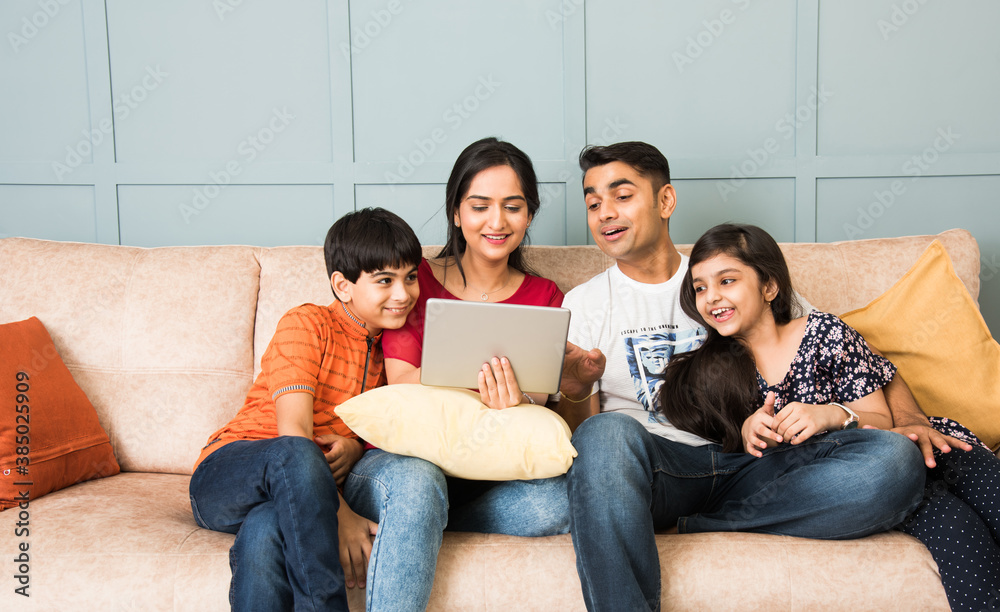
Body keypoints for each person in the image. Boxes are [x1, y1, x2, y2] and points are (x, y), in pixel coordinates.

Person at [553, 141, 927, 612]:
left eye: (621, 196)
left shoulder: (724, 272)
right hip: (659, 475)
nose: (605, 213)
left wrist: (913, 417)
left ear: (665, 201)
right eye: (592, 203)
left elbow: (857, 356)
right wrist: (578, 386)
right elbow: (581, 443)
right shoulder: (583, 304)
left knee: (893, 459)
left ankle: (711, 522)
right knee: (605, 433)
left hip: (755, 465)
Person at [663, 223, 1000, 612]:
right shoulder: (713, 373)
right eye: (700, 287)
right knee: (962, 537)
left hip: (933, 448)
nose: (712, 297)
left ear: (769, 287)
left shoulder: (825, 332)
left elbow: (883, 419)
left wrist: (829, 415)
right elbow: (742, 467)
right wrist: (748, 431)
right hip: (872, 480)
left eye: (727, 280)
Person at [342, 137, 569, 612]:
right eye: (480, 205)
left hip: (487, 475)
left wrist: (522, 402)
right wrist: (487, 391)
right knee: (420, 486)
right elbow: (402, 380)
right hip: (399, 465)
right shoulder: (412, 279)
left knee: (559, 503)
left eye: (513, 207)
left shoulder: (545, 293)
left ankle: (423, 519)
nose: (496, 221)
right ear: (456, 211)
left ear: (529, 215)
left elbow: (541, 400)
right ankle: (420, 509)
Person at [188, 208, 422, 612]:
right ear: (342, 285)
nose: (403, 294)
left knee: (265, 531)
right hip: (226, 474)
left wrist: (351, 445)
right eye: (385, 280)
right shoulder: (307, 324)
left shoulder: (394, 355)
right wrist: (341, 514)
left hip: (294, 495)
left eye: (411, 277)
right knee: (296, 455)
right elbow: (293, 431)